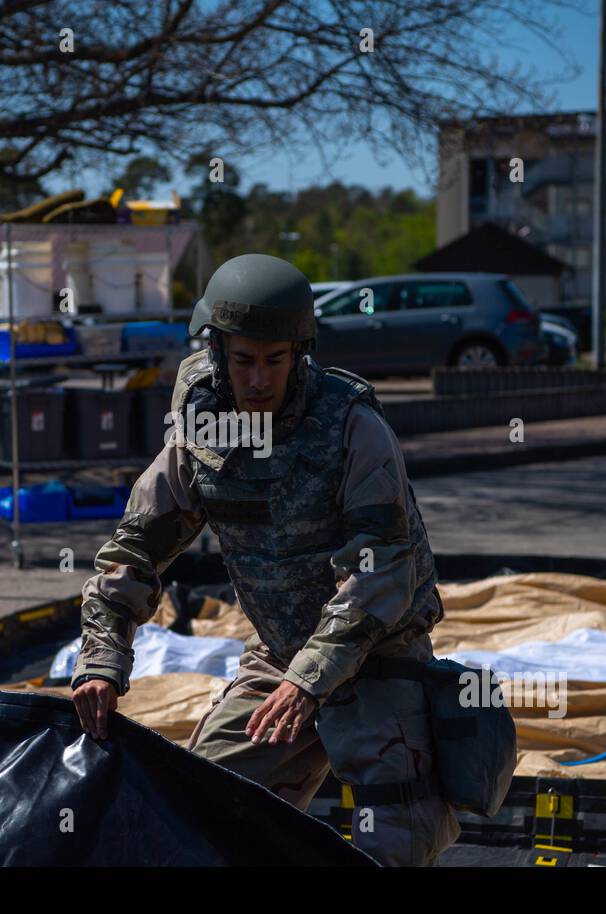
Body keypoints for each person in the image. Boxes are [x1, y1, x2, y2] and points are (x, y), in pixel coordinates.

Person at [70, 253, 461, 866]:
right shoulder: (204, 432)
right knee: (199, 811)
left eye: (274, 361)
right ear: (219, 352)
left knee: (396, 837)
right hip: (278, 658)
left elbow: (380, 571)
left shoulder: (352, 428)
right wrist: (100, 661)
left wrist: (311, 680)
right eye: (243, 360)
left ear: (299, 352)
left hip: (379, 656)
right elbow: (134, 551)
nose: (257, 380)